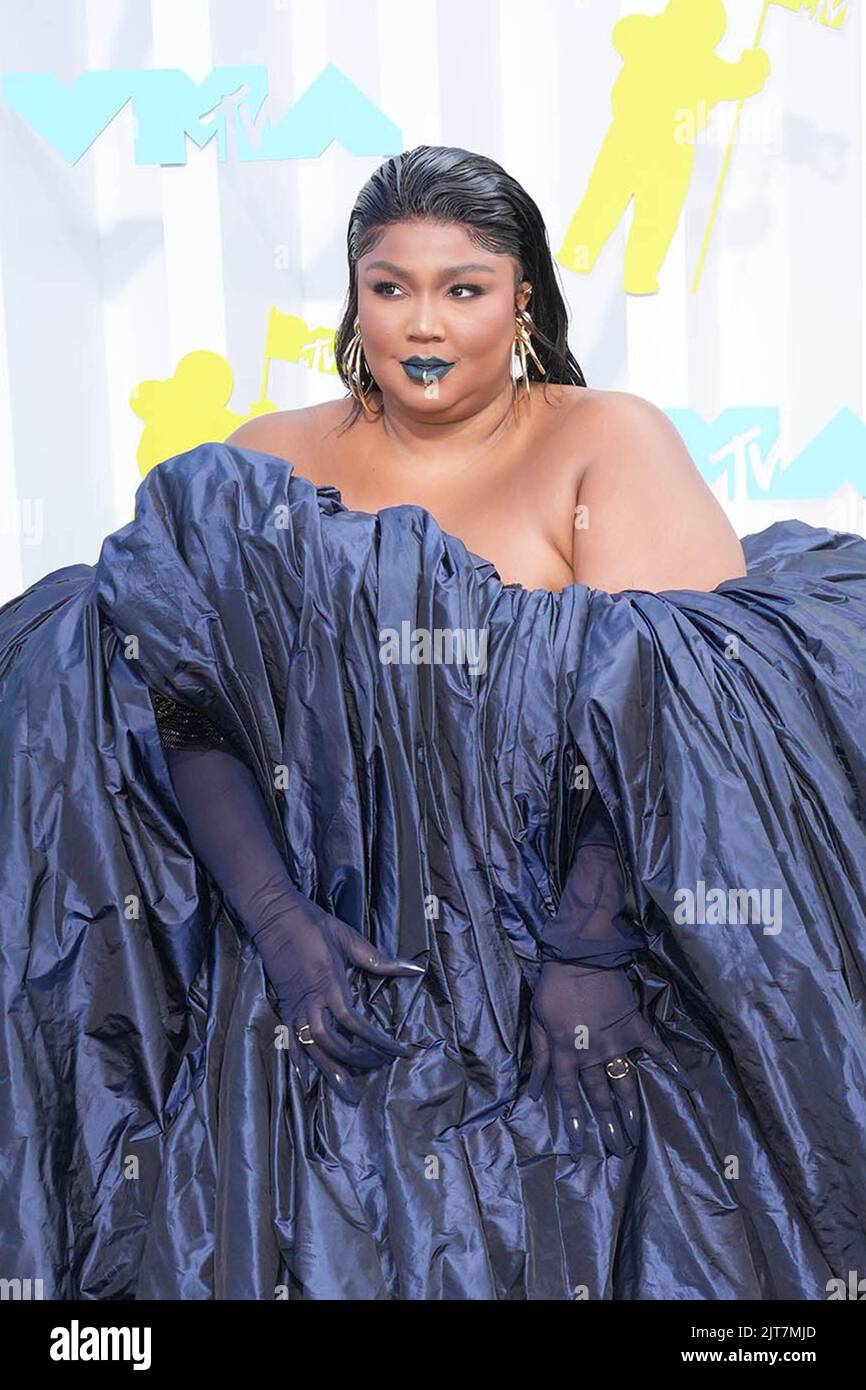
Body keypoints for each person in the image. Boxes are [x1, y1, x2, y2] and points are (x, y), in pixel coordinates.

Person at [2, 145, 866, 1301]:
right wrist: (277, 925)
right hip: (324, 967)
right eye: (389, 284)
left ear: (519, 301)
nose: (422, 321)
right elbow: (180, 696)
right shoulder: (261, 464)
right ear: (353, 300)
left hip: (554, 959)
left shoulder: (601, 443)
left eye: (462, 287)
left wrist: (587, 949)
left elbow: (680, 722)